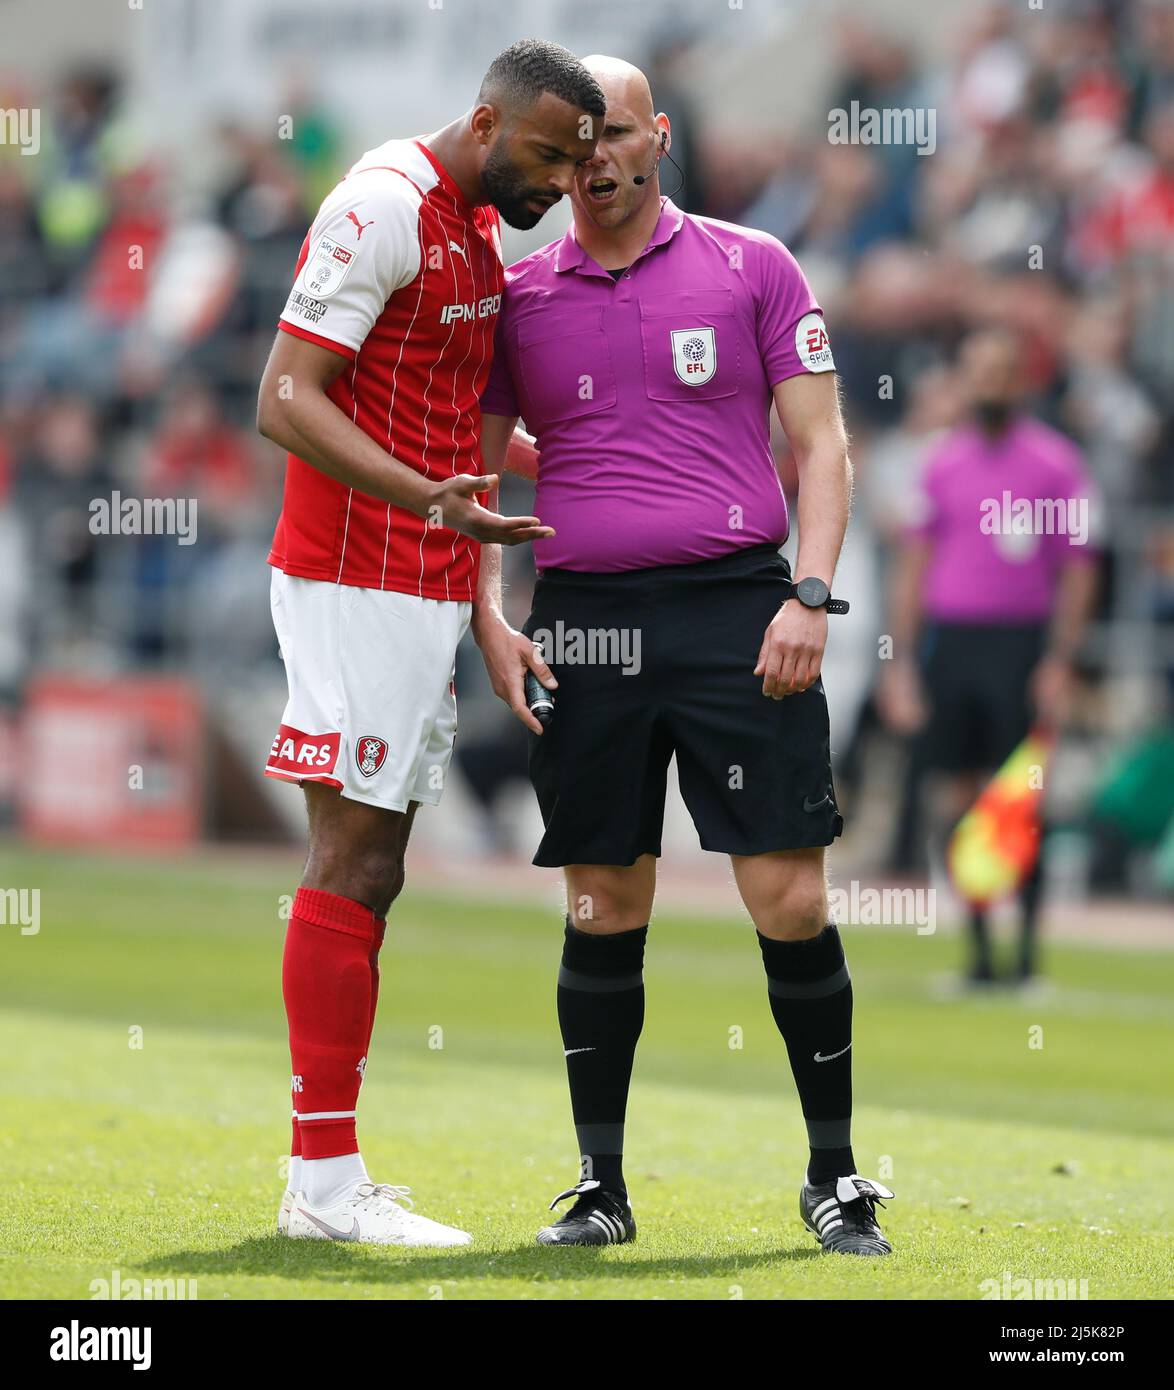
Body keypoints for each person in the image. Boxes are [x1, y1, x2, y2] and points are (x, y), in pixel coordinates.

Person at [476, 56, 895, 1255]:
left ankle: (834, 1174)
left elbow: (821, 448)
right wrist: (491, 614)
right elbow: (477, 471)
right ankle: (599, 1186)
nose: (590, 159)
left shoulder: (753, 265)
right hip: (586, 617)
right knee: (603, 902)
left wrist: (808, 593)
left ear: (657, 135)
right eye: (568, 142)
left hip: (735, 610)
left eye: (608, 133)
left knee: (791, 897)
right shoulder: (522, 296)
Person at [254, 39, 604, 1248]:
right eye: (547, 154)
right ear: (485, 118)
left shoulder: (472, 230)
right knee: (351, 860)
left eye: (575, 165)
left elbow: (448, 427)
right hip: (352, 577)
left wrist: (487, 604)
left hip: (420, 582)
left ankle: (329, 1178)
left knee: (378, 868)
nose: (558, 182)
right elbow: (285, 398)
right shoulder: (382, 206)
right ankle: (322, 1187)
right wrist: (426, 502)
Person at [879, 328, 1100, 988]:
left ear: (1022, 379)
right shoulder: (940, 462)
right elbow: (913, 569)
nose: (992, 383)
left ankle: (1027, 959)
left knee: (1021, 799)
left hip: (1021, 645)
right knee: (955, 795)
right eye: (979, 371)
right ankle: (977, 955)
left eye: (1003, 371)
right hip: (953, 644)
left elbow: (1079, 569)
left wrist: (1061, 658)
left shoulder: (1057, 464)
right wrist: (901, 662)